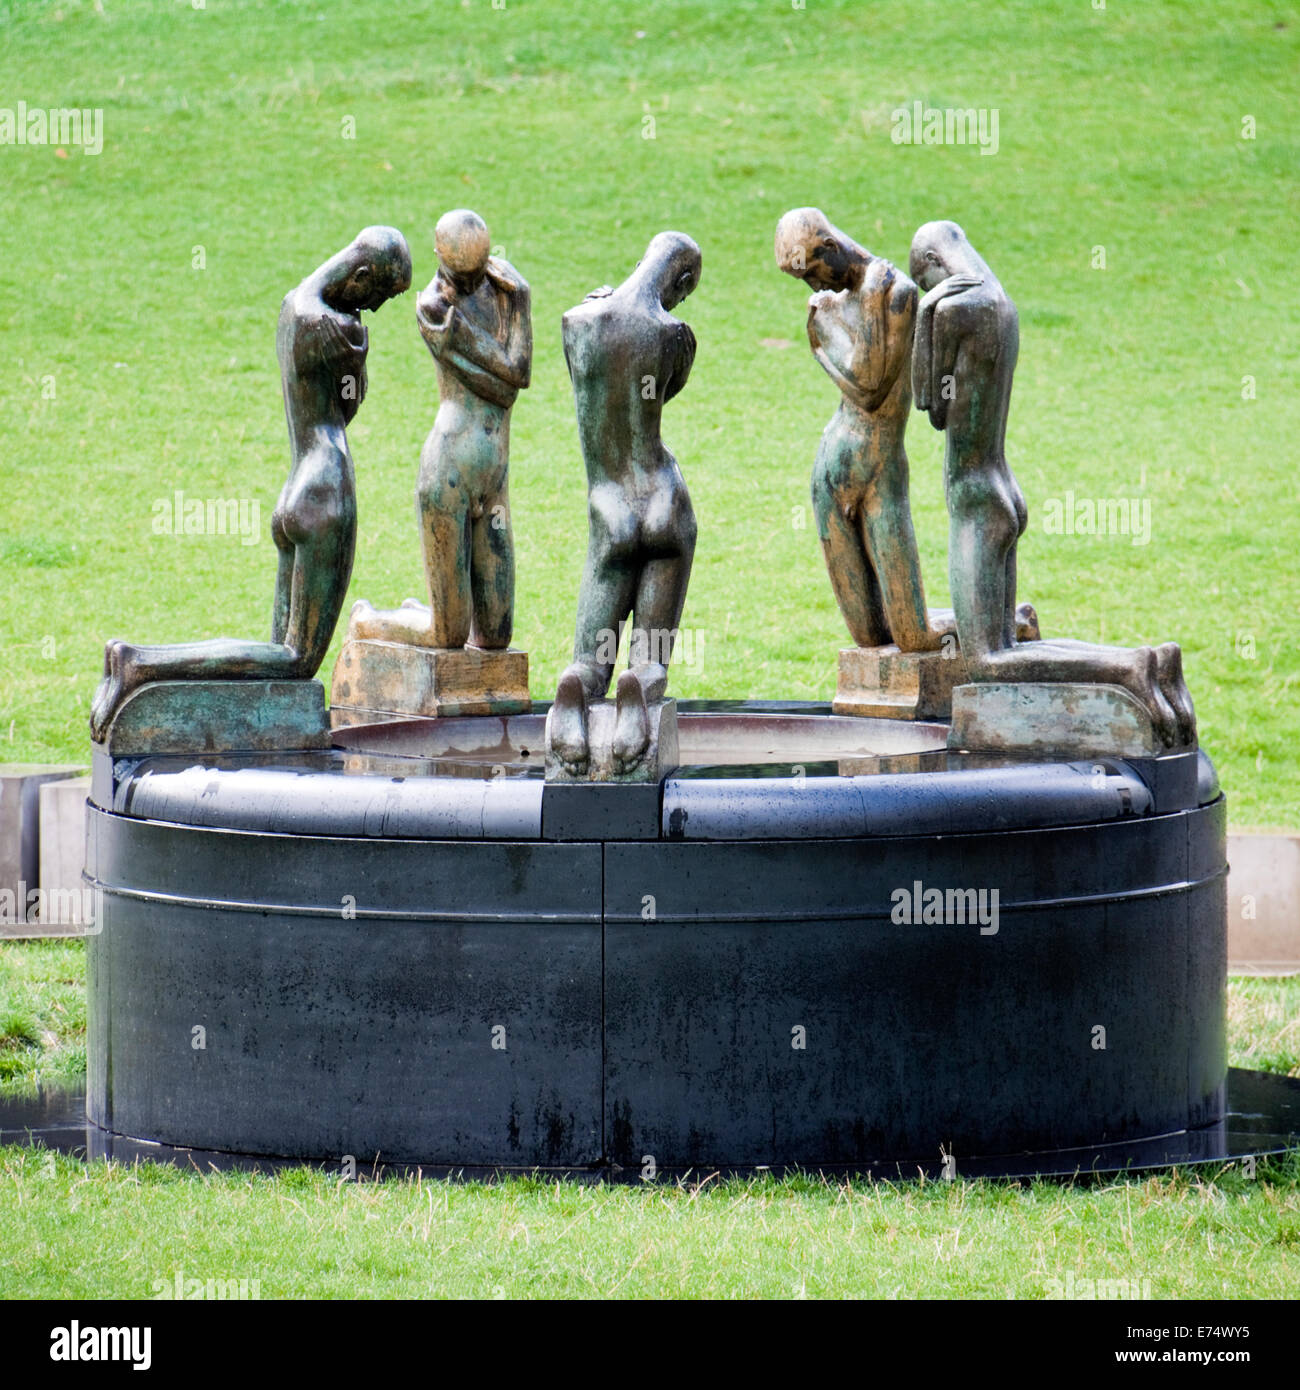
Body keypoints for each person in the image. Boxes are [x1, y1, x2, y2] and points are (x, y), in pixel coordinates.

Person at [90, 226, 412, 738]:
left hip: (294, 487)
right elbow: (350, 403)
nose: (372, 309)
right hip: (328, 486)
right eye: (377, 297)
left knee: (272, 661)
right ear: (362, 276)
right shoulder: (342, 329)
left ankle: (146, 668)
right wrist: (359, 347)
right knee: (295, 660)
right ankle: (141, 664)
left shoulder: (292, 308)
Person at [910, 219, 1193, 744]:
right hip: (1004, 488)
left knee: (986, 663)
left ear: (931, 263)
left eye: (923, 279)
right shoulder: (1003, 303)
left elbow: (931, 406)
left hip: (974, 498)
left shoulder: (948, 307)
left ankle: (1128, 668)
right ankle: (1153, 665)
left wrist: (925, 317)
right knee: (1008, 652)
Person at [548, 231, 702, 776]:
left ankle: (579, 689)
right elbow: (666, 390)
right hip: (664, 499)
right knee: (649, 653)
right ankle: (640, 689)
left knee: (590, 658)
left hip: (609, 507)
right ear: (679, 283)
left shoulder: (577, 323)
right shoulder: (672, 334)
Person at [349, 209, 531, 650]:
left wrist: (520, 299)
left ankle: (422, 608)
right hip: (447, 475)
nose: (471, 284)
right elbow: (511, 380)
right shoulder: (434, 307)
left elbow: (517, 372)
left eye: (478, 272)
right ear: (439, 257)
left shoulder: (502, 292)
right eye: (462, 274)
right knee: (448, 635)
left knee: (495, 635)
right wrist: (519, 308)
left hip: (494, 482)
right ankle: (367, 622)